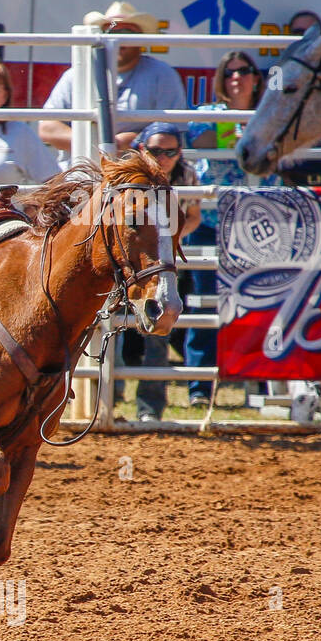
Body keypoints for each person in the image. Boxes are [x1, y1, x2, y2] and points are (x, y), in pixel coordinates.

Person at [185, 49, 279, 406]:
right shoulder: (208, 114)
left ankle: (257, 384)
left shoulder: (271, 114)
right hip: (211, 219)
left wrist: (250, 129)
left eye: (243, 71)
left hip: (257, 220)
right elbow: (204, 144)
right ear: (220, 80)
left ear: (257, 78)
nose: (236, 78)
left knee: (258, 302)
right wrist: (243, 130)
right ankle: (198, 386)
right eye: (229, 73)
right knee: (203, 303)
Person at [119, 123, 199, 421]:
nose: (163, 157)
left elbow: (194, 216)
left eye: (170, 151)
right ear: (142, 149)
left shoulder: (186, 175)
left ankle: (149, 408)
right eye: (155, 150)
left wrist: (169, 238)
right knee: (114, 328)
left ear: (179, 153)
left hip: (162, 261)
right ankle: (109, 397)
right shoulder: (127, 174)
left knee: (159, 327)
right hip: (128, 260)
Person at [39, 1, 186, 163]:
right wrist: (97, 145)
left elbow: (173, 133)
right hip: (79, 173)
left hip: (138, 176)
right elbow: (47, 127)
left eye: (126, 33)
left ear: (140, 40)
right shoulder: (76, 75)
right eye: (109, 32)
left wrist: (130, 142)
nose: (117, 39)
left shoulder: (162, 75)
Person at [278, 11, 321, 188]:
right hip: (291, 174)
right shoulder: (277, 72)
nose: (305, 40)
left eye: (311, 34)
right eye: (298, 34)